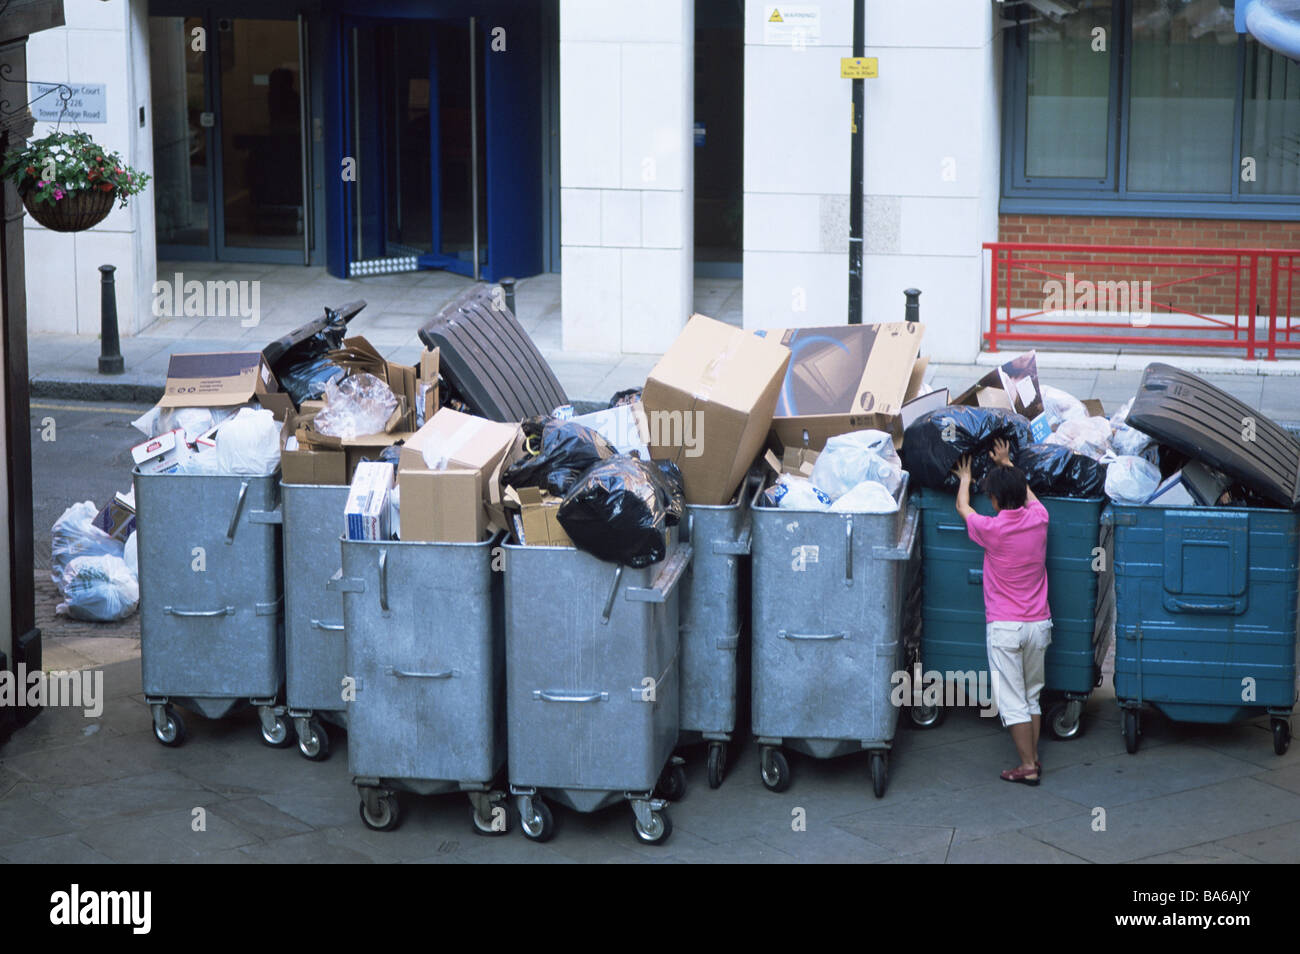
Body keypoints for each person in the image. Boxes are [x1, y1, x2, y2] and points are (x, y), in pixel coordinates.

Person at [953, 438, 1052, 786]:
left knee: (1012, 702)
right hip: (1039, 625)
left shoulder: (991, 529)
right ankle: (1034, 758)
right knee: (1031, 696)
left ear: (994, 500)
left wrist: (965, 478)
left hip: (1006, 628)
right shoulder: (1040, 519)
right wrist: (1007, 463)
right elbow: (1028, 495)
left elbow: (964, 508)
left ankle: (1027, 766)